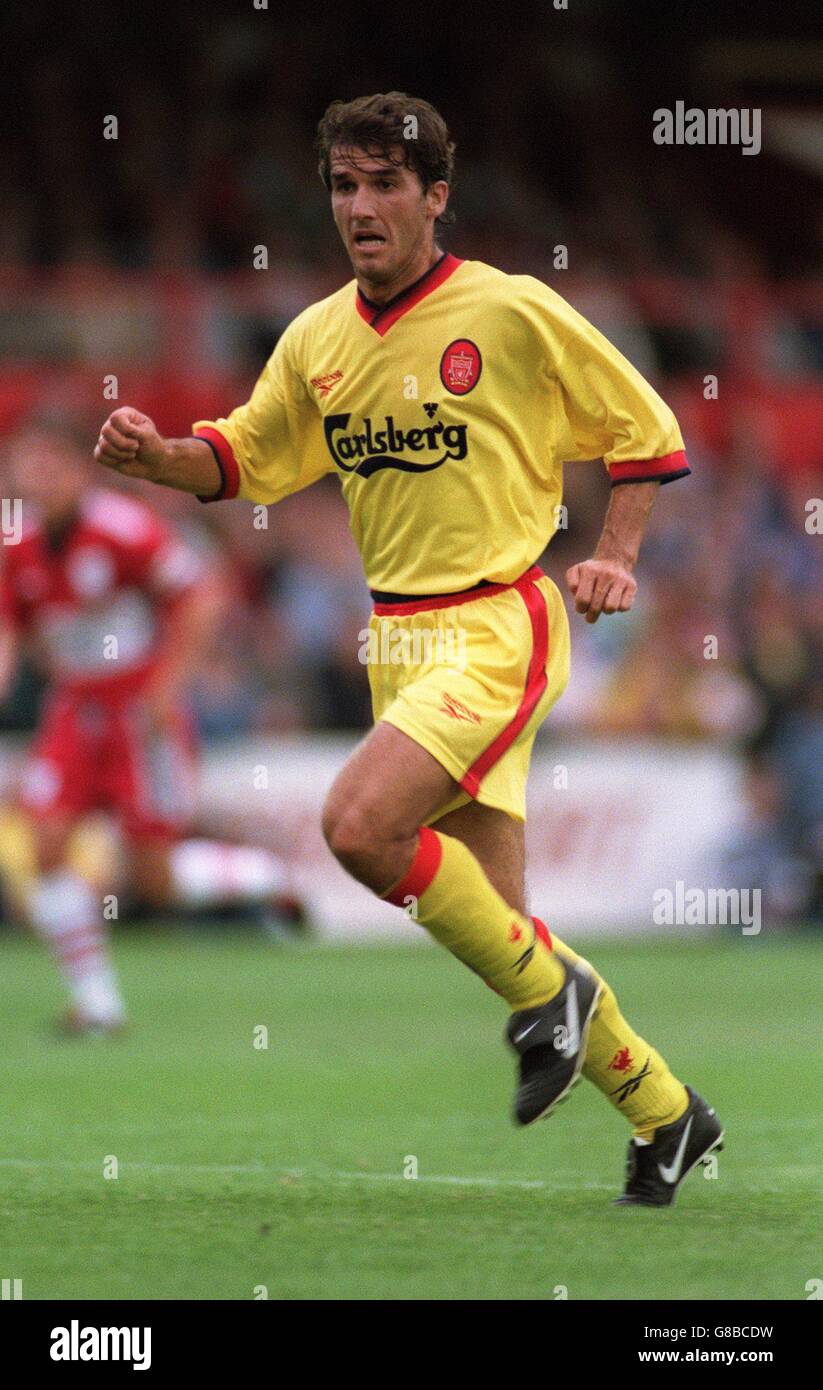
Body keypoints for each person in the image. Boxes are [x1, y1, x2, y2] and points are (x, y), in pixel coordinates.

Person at [94, 92, 722, 1204]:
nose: (361, 207)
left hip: (494, 622)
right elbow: (244, 459)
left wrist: (615, 554)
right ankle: (668, 1115)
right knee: (506, 929)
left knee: (355, 826)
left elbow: (648, 433)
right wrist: (159, 458)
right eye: (345, 185)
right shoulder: (318, 338)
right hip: (396, 634)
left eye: (386, 184)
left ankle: (560, 1000)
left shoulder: (513, 310)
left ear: (436, 196)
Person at [0, 419, 305, 1035]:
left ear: (78, 470)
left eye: (48, 467)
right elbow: (15, 629)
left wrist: (168, 684)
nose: (35, 481)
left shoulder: (122, 529)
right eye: (24, 469)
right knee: (45, 848)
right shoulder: (16, 545)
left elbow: (203, 594)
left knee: (155, 883)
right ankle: (98, 1006)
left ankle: (267, 877)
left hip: (140, 716)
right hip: (74, 712)